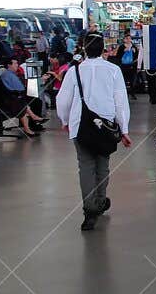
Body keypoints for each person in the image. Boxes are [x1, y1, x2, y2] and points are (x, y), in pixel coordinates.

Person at [55, 33, 132, 231]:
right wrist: (124, 129)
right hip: (105, 126)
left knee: (86, 166)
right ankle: (100, 200)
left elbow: (62, 100)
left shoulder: (74, 71)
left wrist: (65, 120)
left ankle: (90, 210)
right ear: (103, 48)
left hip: (80, 125)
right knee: (102, 165)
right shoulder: (113, 70)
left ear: (84, 49)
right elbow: (120, 102)